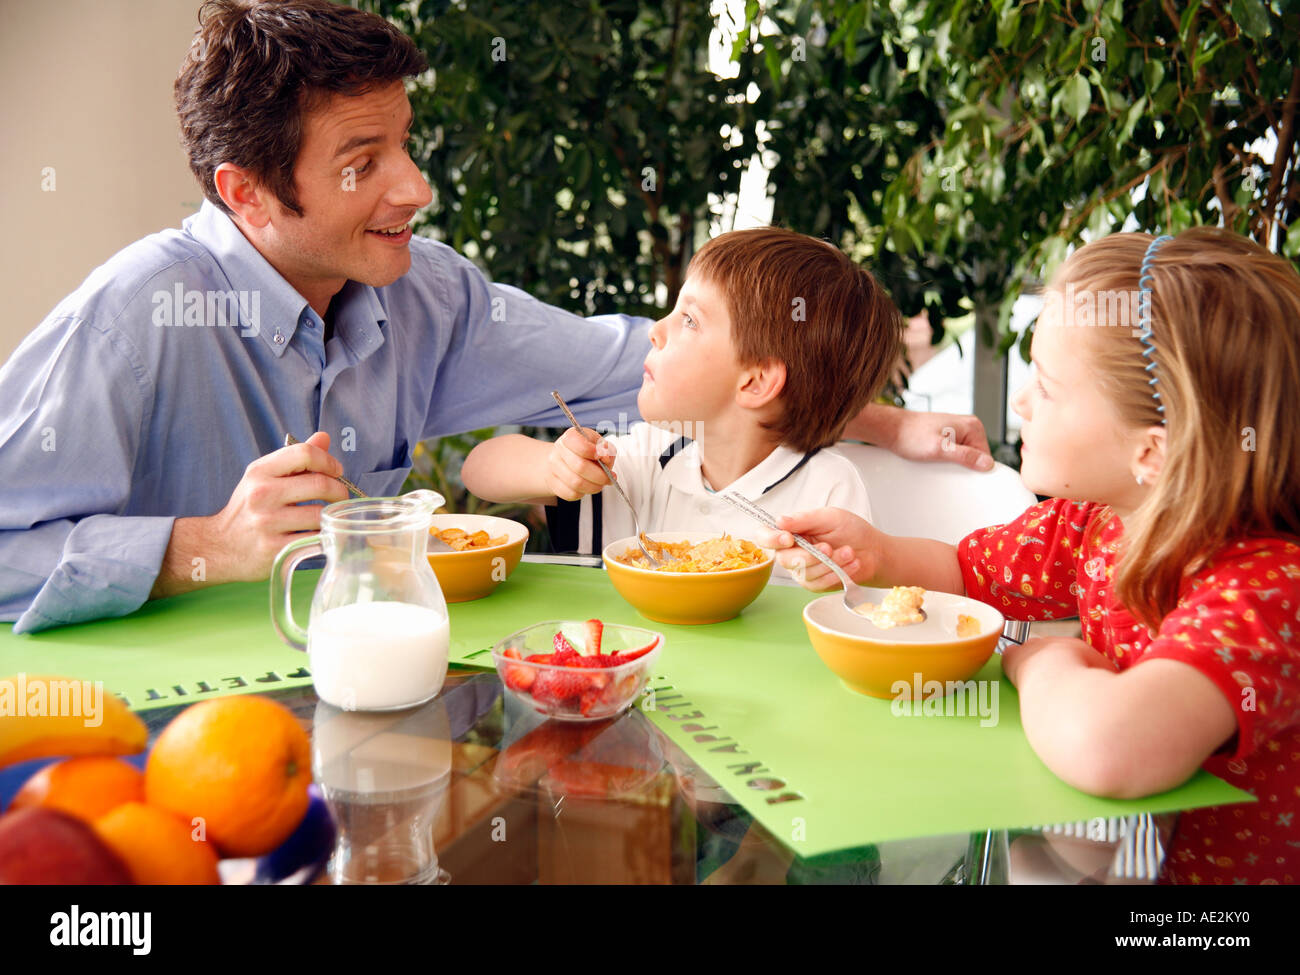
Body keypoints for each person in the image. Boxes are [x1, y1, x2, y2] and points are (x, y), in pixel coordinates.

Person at [0, 0, 988, 635]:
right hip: (159, 779)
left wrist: (881, 420)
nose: (416, 187)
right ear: (247, 192)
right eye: (362, 165)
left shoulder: (420, 291)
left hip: (361, 725)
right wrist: (204, 546)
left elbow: (652, 364)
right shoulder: (130, 320)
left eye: (404, 145)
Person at [769, 227, 1300, 884]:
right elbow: (970, 571)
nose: (1020, 401)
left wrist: (1043, 659)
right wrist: (877, 553)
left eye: (1045, 387)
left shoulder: (1268, 592)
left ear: (1151, 453)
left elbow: (1110, 748)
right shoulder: (1095, 524)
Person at [461, 227, 899, 569]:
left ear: (754, 382)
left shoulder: (826, 492)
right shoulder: (650, 457)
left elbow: (846, 614)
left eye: (688, 319)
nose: (655, 330)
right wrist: (551, 467)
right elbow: (479, 468)